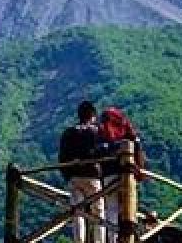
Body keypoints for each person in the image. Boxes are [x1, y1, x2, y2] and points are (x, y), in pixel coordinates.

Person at [59, 100, 104, 243]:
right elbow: (102, 153)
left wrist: (68, 176)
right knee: (98, 213)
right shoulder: (96, 132)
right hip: (92, 176)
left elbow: (62, 157)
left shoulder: (69, 132)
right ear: (92, 115)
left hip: (74, 177)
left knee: (77, 212)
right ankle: (99, 241)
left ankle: (79, 241)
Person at [98, 106, 146, 239]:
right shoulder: (128, 131)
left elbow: (99, 151)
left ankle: (113, 239)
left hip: (109, 174)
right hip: (129, 175)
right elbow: (138, 148)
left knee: (111, 209)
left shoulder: (104, 132)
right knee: (129, 208)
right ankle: (131, 238)